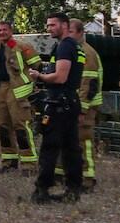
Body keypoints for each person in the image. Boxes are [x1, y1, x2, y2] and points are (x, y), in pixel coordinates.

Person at [26, 12, 86, 203]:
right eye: (48, 25)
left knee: (50, 148)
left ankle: (41, 191)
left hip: (59, 103)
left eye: (53, 25)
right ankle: (73, 190)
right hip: (70, 102)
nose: (49, 28)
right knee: (70, 149)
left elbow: (60, 77)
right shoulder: (75, 46)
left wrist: (39, 76)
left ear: (65, 26)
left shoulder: (65, 47)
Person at [0, 21, 43, 175]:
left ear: (11, 31)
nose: (1, 33)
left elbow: (38, 65)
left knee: (21, 126)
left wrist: (32, 83)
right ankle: (9, 162)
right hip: (0, 90)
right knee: (3, 125)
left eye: (4, 30)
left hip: (17, 91)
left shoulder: (21, 46)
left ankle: (29, 164)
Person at [66, 18, 103, 191]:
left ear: (80, 33)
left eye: (71, 32)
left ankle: (87, 180)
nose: (68, 35)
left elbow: (88, 84)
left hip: (85, 107)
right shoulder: (73, 50)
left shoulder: (86, 53)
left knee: (84, 141)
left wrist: (82, 108)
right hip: (75, 104)